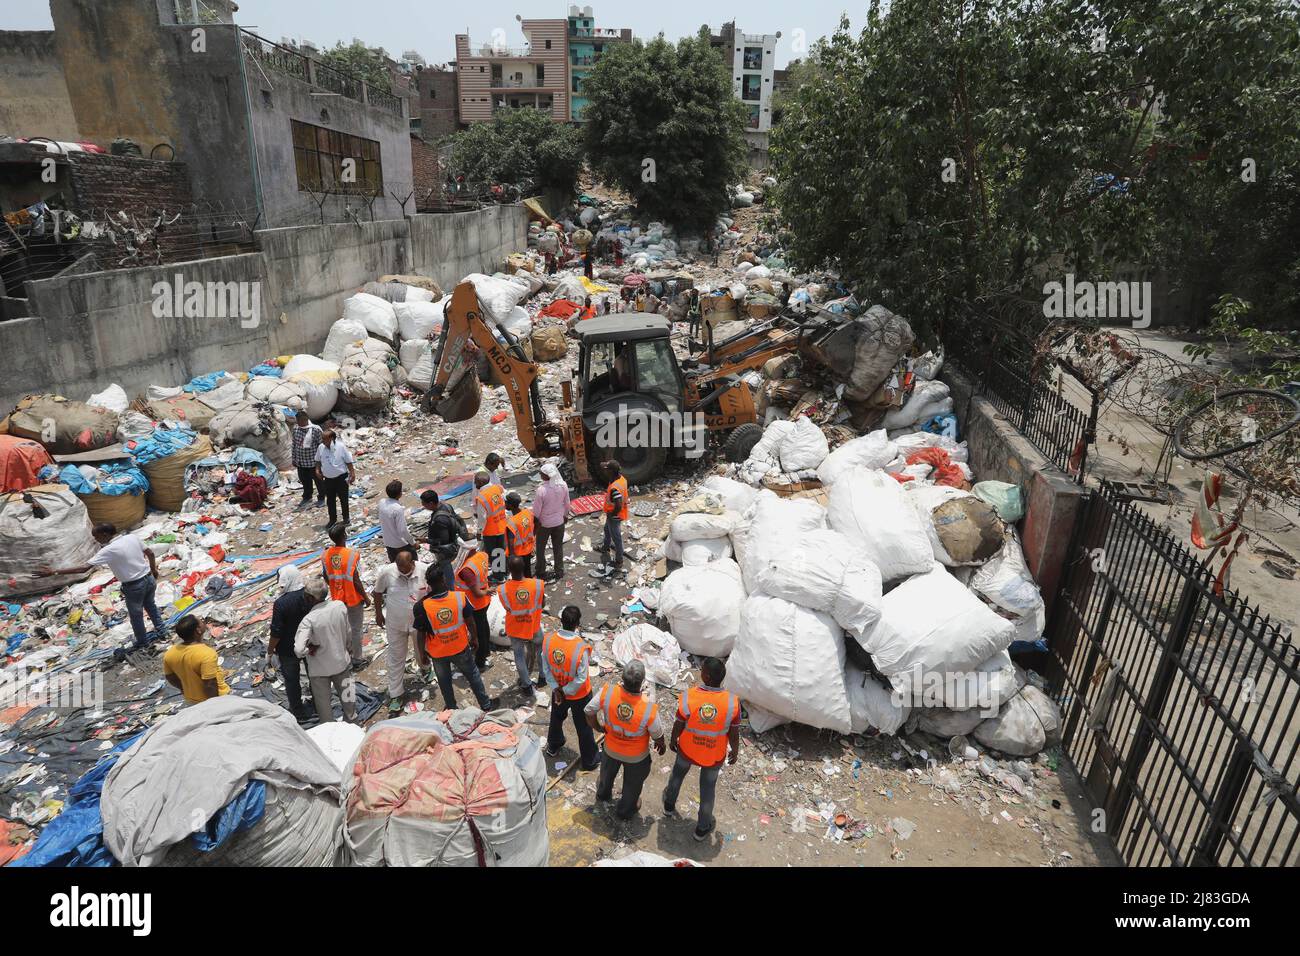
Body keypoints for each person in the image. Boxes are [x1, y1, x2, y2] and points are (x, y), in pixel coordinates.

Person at [40, 522, 166, 651]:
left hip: (134, 586)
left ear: (105, 534)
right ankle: (162, 632)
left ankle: (143, 643)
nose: (95, 539)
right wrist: (154, 570)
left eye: (96, 536)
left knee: (136, 616)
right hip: (148, 579)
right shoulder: (131, 537)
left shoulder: (108, 550)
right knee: (151, 606)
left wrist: (54, 572)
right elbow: (150, 553)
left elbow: (83, 569)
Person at [663, 657, 741, 841]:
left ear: (705, 676)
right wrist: (735, 751)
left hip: (688, 749)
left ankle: (668, 806)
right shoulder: (732, 702)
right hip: (713, 755)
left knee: (677, 775)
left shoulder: (689, 695)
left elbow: (679, 723)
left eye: (702, 670)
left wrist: (674, 739)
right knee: (707, 789)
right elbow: (734, 733)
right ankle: (702, 828)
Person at [413, 563, 498, 711]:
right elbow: (470, 622)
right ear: (443, 579)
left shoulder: (422, 606)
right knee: (473, 675)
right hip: (460, 648)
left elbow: (420, 634)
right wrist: (475, 638)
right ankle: (486, 705)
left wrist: (421, 654)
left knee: (444, 681)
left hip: (438, 653)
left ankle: (451, 709)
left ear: (429, 583)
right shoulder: (459, 598)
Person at [586, 660, 665, 819]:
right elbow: (657, 734)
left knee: (606, 774)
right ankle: (625, 810)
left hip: (610, 748)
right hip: (636, 757)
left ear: (622, 677)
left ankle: (602, 794)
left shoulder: (608, 692)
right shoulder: (648, 708)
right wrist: (661, 744)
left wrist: (598, 727)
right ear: (642, 682)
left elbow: (589, 711)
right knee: (632, 784)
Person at [541, 605, 599, 771]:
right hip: (579, 695)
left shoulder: (549, 640)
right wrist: (565, 691)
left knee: (556, 718)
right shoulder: (581, 647)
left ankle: (553, 745)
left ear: (561, 621)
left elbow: (545, 667)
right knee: (584, 727)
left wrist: (557, 689)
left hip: (557, 690)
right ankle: (590, 760)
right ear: (577, 624)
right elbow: (581, 677)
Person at [373, 546, 429, 714]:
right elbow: (376, 593)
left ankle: (426, 669)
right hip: (395, 623)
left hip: (418, 623)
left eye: (405, 569)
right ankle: (396, 694)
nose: (403, 572)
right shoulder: (388, 572)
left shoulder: (424, 570)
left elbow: (433, 593)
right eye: (399, 569)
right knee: (396, 657)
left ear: (412, 563)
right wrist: (378, 613)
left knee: (422, 651)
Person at [267, 576, 326, 722]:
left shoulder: (281, 603)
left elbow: (276, 631)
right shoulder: (310, 596)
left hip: (287, 649)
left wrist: (270, 650)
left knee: (292, 680)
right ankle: (319, 706)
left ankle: (298, 711)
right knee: (314, 675)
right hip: (309, 644)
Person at [293, 593, 358, 724]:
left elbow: (299, 650)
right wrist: (348, 647)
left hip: (319, 669)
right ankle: (353, 721)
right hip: (341, 661)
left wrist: (307, 650)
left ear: (310, 598)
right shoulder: (339, 606)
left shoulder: (308, 620)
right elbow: (348, 631)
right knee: (348, 696)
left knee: (324, 706)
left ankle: (329, 731)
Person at [321, 522, 370, 669]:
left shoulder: (325, 555)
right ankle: (357, 659)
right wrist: (366, 597)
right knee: (356, 629)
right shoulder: (352, 555)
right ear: (345, 536)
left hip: (337, 598)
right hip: (353, 597)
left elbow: (326, 575)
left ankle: (347, 654)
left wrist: (335, 587)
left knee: (344, 627)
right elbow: (355, 579)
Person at [497, 556, 545, 696]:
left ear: (509, 570)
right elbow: (542, 604)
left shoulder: (502, 590)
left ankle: (526, 685)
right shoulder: (537, 584)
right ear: (524, 566)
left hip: (515, 627)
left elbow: (507, 608)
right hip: (533, 625)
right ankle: (542, 677)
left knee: (519, 655)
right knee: (540, 649)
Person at [162, 615, 229, 706]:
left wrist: (184, 688)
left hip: (191, 701)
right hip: (218, 699)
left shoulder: (170, 653)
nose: (203, 622)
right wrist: (215, 706)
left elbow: (170, 677)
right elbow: (210, 684)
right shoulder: (206, 654)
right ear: (198, 630)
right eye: (201, 621)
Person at [455, 539, 493, 670]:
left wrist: (487, 591)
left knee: (479, 633)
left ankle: (480, 662)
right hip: (483, 602)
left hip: (474, 604)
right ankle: (486, 650)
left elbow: (476, 593)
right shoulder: (482, 555)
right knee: (483, 626)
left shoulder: (467, 569)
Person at [421, 488, 469, 591]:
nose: (423, 506)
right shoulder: (447, 506)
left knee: (447, 573)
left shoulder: (439, 519)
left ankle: (451, 592)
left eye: (424, 504)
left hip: (446, 551)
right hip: (455, 542)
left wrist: (425, 540)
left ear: (430, 503)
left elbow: (442, 541)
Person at [533, 463, 570, 581]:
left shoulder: (541, 490)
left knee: (540, 548)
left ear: (546, 476)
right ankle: (559, 571)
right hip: (559, 521)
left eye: (541, 473)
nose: (539, 474)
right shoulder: (563, 485)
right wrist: (565, 515)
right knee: (558, 547)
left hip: (544, 524)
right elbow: (567, 503)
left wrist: (536, 522)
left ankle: (541, 571)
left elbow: (537, 510)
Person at [314, 428, 356, 527]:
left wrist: (352, 473)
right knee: (330, 500)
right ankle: (332, 519)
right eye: (322, 439)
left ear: (332, 438)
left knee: (343, 499)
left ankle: (346, 518)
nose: (322, 441)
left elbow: (348, 461)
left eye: (325, 439)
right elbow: (318, 460)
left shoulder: (341, 447)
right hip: (328, 479)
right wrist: (317, 470)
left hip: (341, 478)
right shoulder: (321, 447)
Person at [473, 469, 508, 584]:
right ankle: (505, 572)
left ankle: (499, 577)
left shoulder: (481, 497)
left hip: (491, 530)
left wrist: (479, 532)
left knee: (494, 553)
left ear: (480, 483)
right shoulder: (497, 488)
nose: (475, 485)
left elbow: (482, 518)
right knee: (501, 550)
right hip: (502, 524)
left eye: (476, 482)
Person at [597, 460, 628, 578]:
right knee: (606, 530)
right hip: (615, 514)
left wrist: (611, 514)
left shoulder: (615, 487)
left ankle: (619, 561)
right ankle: (605, 547)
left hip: (615, 516)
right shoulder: (621, 479)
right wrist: (605, 464)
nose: (605, 471)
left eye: (607, 469)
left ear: (611, 471)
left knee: (617, 538)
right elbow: (602, 465)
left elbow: (618, 504)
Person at [292, 411, 325, 509]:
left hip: (313, 462)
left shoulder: (315, 429)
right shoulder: (296, 429)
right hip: (301, 462)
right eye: (298, 421)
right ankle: (307, 497)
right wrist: (294, 458)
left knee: (319, 482)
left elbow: (321, 446)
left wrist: (321, 461)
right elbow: (294, 444)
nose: (299, 423)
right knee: (305, 481)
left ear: (306, 420)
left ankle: (322, 498)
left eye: (301, 421)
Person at [377, 480, 414, 562]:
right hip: (400, 544)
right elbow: (403, 530)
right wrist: (413, 542)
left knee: (395, 565)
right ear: (400, 494)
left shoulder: (382, 502)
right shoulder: (398, 508)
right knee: (411, 564)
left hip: (388, 542)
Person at [504, 492, 536, 577]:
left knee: (519, 575)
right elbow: (538, 522)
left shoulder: (512, 522)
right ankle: (530, 585)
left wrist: (511, 558)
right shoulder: (527, 512)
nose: (504, 503)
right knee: (527, 571)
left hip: (518, 554)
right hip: (528, 548)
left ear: (510, 505)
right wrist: (533, 536)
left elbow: (511, 543)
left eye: (506, 502)